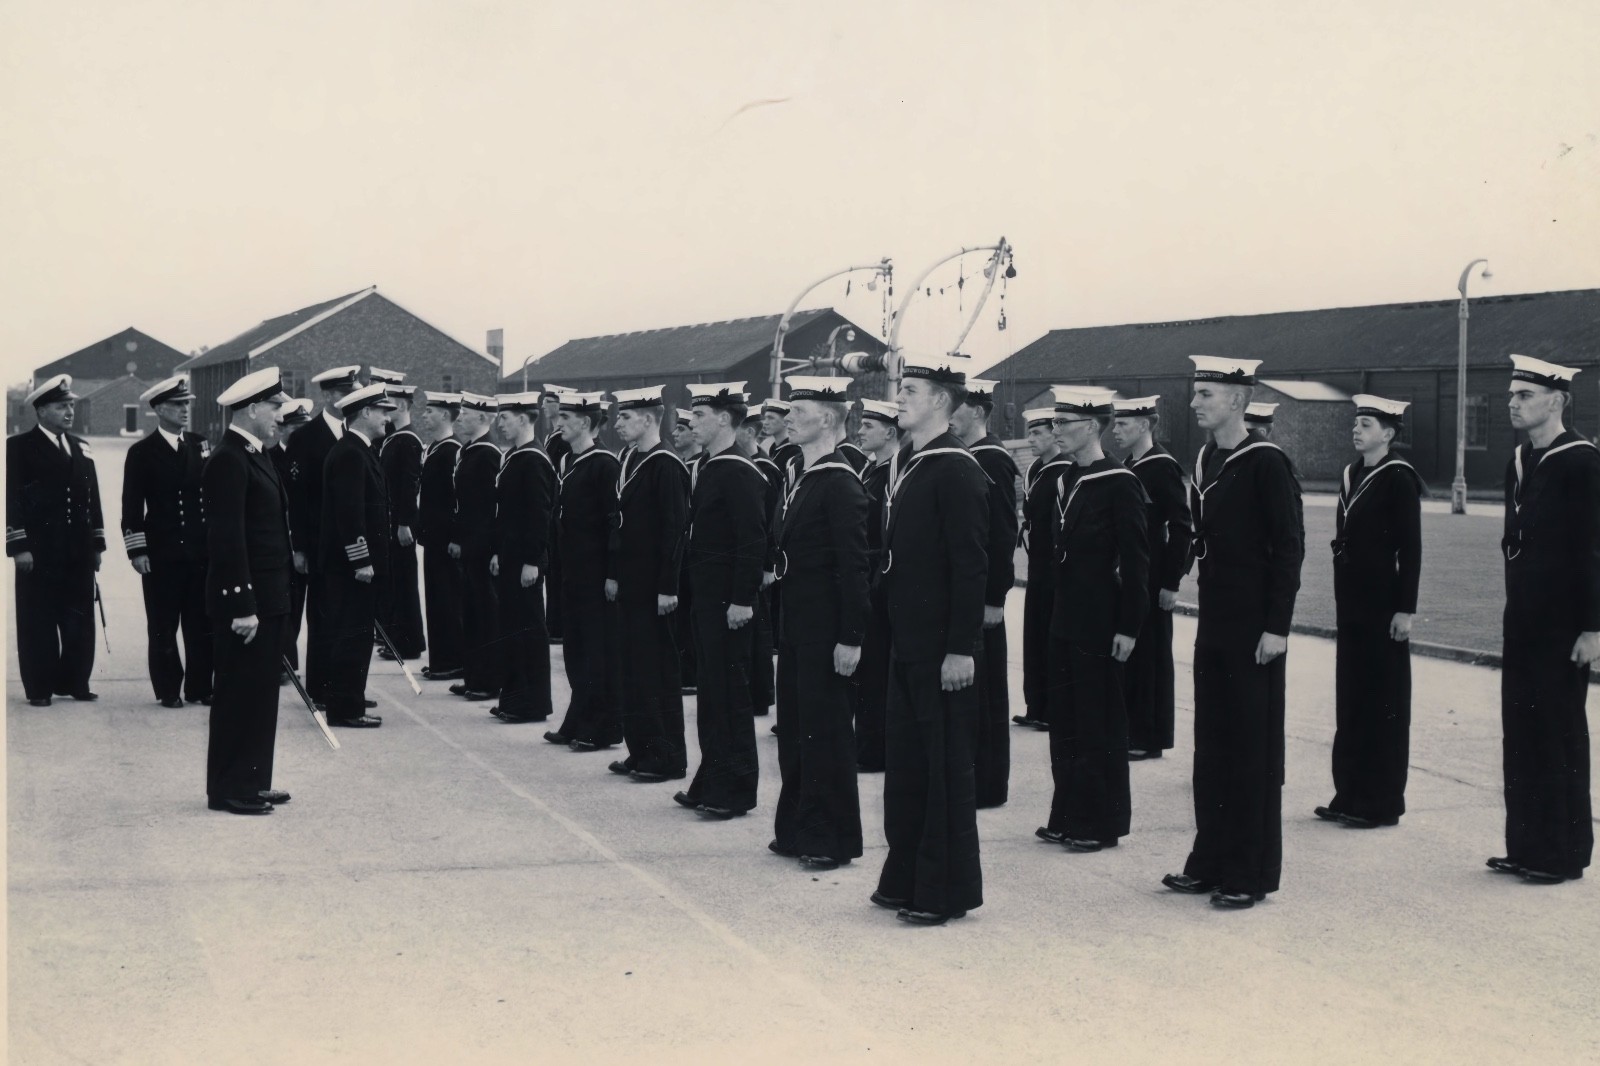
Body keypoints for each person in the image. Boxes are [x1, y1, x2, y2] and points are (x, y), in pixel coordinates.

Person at [1163, 356, 1303, 909]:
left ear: (1238, 402)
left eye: (1206, 394)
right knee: (1212, 748)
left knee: (1249, 751)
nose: (1196, 403)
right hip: (1217, 620)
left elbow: (1289, 547)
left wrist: (1278, 627)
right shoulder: (1208, 457)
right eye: (1196, 393)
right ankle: (1209, 861)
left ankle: (1248, 871)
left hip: (1254, 628)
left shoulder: (1266, 461)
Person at [872, 352, 989, 926]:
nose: (901, 397)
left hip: (943, 649)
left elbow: (972, 566)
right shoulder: (916, 462)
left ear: (941, 400)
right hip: (909, 643)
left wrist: (961, 647)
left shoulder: (955, 468)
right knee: (909, 770)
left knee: (942, 772)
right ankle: (905, 877)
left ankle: (943, 890)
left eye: (912, 389)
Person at [1490, 355, 1599, 884]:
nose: (1513, 403)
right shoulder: (1520, 459)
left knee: (1557, 734)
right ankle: (1527, 846)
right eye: (1512, 395)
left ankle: (1560, 853)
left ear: (1555, 401)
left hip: (1563, 625)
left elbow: (1595, 550)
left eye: (1524, 395)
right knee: (1522, 731)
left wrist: (1594, 628)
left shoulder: (1581, 461)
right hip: (1525, 620)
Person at [1036, 387, 1149, 851]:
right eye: (1056, 423)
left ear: (1092, 426)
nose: (1056, 430)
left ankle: (1098, 822)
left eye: (1065, 424)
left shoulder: (1119, 482)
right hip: (1065, 619)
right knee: (1064, 721)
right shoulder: (1064, 479)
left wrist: (1129, 626)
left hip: (1101, 622)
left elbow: (1138, 561)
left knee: (1098, 723)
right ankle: (1067, 813)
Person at [770, 376, 869, 868]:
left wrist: (851, 638)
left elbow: (855, 568)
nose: (788, 417)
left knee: (825, 735)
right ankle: (797, 828)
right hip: (798, 627)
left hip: (828, 632)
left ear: (828, 418)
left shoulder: (839, 481)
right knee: (795, 730)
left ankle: (829, 838)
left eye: (799, 409)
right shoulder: (803, 473)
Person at [1314, 394, 1423, 831]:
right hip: (1352, 605)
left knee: (1383, 704)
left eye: (1366, 424)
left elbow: (1410, 549)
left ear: (1389, 433)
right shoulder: (1352, 473)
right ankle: (1349, 794)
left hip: (1383, 605)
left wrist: (1406, 609)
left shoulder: (1398, 477)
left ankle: (1380, 802)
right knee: (1352, 699)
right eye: (1356, 423)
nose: (1356, 430)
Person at [673, 382, 768, 818]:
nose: (692, 423)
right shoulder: (712, 466)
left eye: (700, 416)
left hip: (729, 606)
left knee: (730, 698)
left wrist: (742, 599)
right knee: (712, 696)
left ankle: (734, 789)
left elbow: (753, 539)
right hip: (708, 602)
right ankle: (710, 779)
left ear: (725, 419)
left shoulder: (738, 470)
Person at [203, 366, 293, 814]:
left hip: (269, 599)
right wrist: (241, 604)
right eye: (275, 407)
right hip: (246, 604)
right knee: (239, 695)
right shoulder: (228, 459)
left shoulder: (256, 453)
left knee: (260, 695)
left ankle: (254, 779)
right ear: (253, 407)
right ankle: (228, 788)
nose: (281, 414)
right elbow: (228, 540)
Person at [605, 385, 691, 782]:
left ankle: (666, 756)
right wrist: (613, 574)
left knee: (656, 673)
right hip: (630, 583)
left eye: (625, 416)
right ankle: (639, 750)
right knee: (631, 670)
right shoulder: (629, 458)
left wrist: (668, 587)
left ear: (649, 419)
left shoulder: (666, 464)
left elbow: (675, 531)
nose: (618, 422)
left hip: (655, 587)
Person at [7, 374, 104, 706]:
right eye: (62, 406)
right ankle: (40, 688)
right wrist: (18, 545)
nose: (69, 412)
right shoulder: (18, 447)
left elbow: (93, 498)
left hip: (77, 551)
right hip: (39, 552)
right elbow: (10, 499)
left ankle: (75, 682)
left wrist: (96, 545)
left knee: (79, 620)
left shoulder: (80, 446)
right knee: (39, 622)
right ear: (41, 410)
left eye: (71, 406)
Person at [120, 375, 213, 708]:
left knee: (201, 623)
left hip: (199, 552)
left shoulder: (201, 444)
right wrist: (138, 551)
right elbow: (131, 507)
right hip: (161, 554)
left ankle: (201, 687)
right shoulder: (142, 452)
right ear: (159, 409)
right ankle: (169, 689)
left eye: (186, 404)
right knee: (163, 625)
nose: (184, 410)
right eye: (176, 405)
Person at [1111, 395, 1193, 758]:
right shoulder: (1130, 464)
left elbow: (1181, 527)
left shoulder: (1162, 466)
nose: (1115, 431)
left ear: (1144, 425)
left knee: (1152, 656)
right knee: (1134, 654)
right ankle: (1132, 729)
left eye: (1123, 424)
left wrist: (1172, 582)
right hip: (1133, 573)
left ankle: (1150, 737)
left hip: (1155, 574)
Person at [949, 378, 1018, 809]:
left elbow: (1002, 533)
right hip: (973, 598)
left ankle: (988, 786)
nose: (950, 413)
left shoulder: (992, 458)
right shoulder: (970, 455)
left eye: (957, 406)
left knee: (988, 694)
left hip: (984, 602)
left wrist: (995, 597)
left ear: (977, 411)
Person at [547, 392, 623, 750]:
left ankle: (601, 727)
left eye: (565, 416)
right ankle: (577, 719)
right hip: (573, 572)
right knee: (575, 651)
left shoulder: (604, 464)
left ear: (586, 423)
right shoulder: (570, 461)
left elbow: (614, 524)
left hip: (595, 575)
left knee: (597, 653)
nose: (557, 422)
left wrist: (612, 573)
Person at [318, 383, 396, 727]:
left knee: (356, 634)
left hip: (355, 566)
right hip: (353, 568)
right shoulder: (351, 452)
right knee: (352, 635)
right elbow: (349, 514)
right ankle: (345, 709)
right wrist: (361, 560)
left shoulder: (358, 449)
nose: (386, 419)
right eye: (382, 412)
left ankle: (349, 698)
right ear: (364, 413)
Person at [285, 365, 361, 702]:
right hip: (318, 544)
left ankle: (346, 689)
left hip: (351, 545)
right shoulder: (305, 437)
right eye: (345, 392)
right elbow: (297, 498)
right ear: (329, 396)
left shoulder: (357, 432)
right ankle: (320, 688)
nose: (351, 398)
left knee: (350, 620)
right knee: (323, 616)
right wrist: (299, 547)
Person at [484, 392, 557, 723]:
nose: (500, 423)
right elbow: (506, 513)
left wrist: (531, 560)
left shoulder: (534, 459)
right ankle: (513, 698)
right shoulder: (515, 456)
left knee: (528, 630)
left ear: (525, 419)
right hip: (511, 557)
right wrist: (500, 552)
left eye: (505, 417)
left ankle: (532, 703)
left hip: (525, 561)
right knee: (511, 629)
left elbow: (539, 515)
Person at [1014, 405, 1072, 730]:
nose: (1031, 439)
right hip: (1036, 567)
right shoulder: (1037, 469)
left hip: (1053, 568)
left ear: (1054, 434)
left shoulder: (1064, 471)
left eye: (1038, 433)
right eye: (1030, 432)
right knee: (1033, 637)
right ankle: (1035, 704)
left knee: (1050, 638)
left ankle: (1051, 709)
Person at [853, 398, 900, 771]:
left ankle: (874, 749)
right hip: (866, 572)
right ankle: (866, 743)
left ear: (889, 432)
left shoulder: (892, 473)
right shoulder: (872, 469)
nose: (860, 431)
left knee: (876, 667)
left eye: (869, 426)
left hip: (878, 573)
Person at [449, 394, 505, 702]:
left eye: (464, 414)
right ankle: (474, 676)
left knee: (485, 614)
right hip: (471, 546)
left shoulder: (487, 454)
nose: (457, 419)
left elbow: (491, 509)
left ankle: (488, 679)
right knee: (471, 612)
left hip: (483, 548)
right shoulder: (470, 451)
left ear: (483, 419)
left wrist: (493, 548)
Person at [375, 376, 426, 661]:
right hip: (393, 520)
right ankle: (398, 638)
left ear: (403, 405)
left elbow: (409, 484)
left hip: (400, 522)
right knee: (396, 582)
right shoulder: (394, 438)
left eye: (390, 405)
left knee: (405, 583)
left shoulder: (407, 440)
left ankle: (409, 642)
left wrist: (405, 521)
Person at [416, 392, 465, 681]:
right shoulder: (436, 448)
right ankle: (439, 659)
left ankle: (451, 660)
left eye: (430, 411)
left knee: (448, 600)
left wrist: (456, 536)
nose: (425, 415)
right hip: (433, 537)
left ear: (445, 415)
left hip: (446, 539)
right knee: (435, 598)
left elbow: (458, 500)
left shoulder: (452, 450)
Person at [270, 398, 314, 679]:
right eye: (297, 428)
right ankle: (281, 662)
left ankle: (287, 660)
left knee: (297, 603)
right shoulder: (269, 456)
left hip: (301, 543)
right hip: (277, 543)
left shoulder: (309, 455)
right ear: (283, 429)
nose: (302, 434)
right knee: (280, 604)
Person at [741, 413, 781, 720]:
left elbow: (770, 521)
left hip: (761, 561)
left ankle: (762, 694)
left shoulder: (767, 467)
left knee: (759, 631)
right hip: (750, 559)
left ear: (750, 432)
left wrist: (768, 564)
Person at [671, 407, 702, 694]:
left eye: (681, 429)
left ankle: (690, 674)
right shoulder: (683, 464)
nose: (675, 433)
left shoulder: (697, 467)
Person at [541, 384, 572, 644]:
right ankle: (553, 623)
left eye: (548, 400)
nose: (543, 405)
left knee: (558, 570)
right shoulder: (554, 436)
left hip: (557, 511)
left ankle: (557, 625)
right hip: (551, 513)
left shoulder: (562, 439)